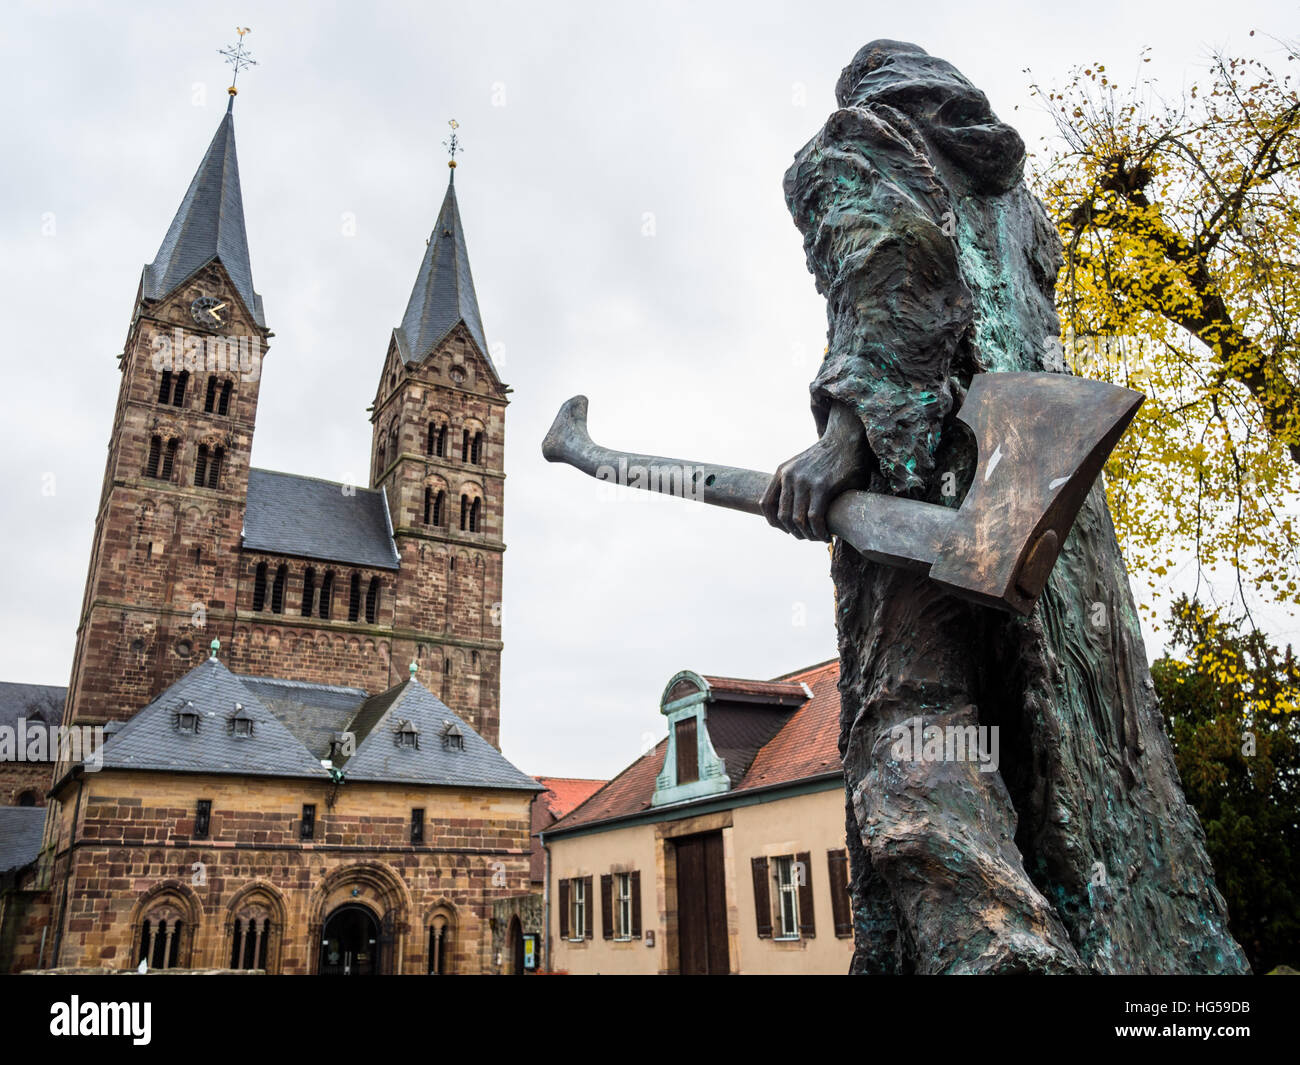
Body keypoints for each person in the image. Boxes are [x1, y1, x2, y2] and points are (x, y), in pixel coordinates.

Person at [761, 40, 1247, 974]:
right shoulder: (1021, 201)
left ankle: (1007, 956)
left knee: (915, 735)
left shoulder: (861, 141)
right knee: (1083, 750)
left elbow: (891, 263)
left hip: (931, 476)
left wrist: (842, 440)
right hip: (1055, 494)